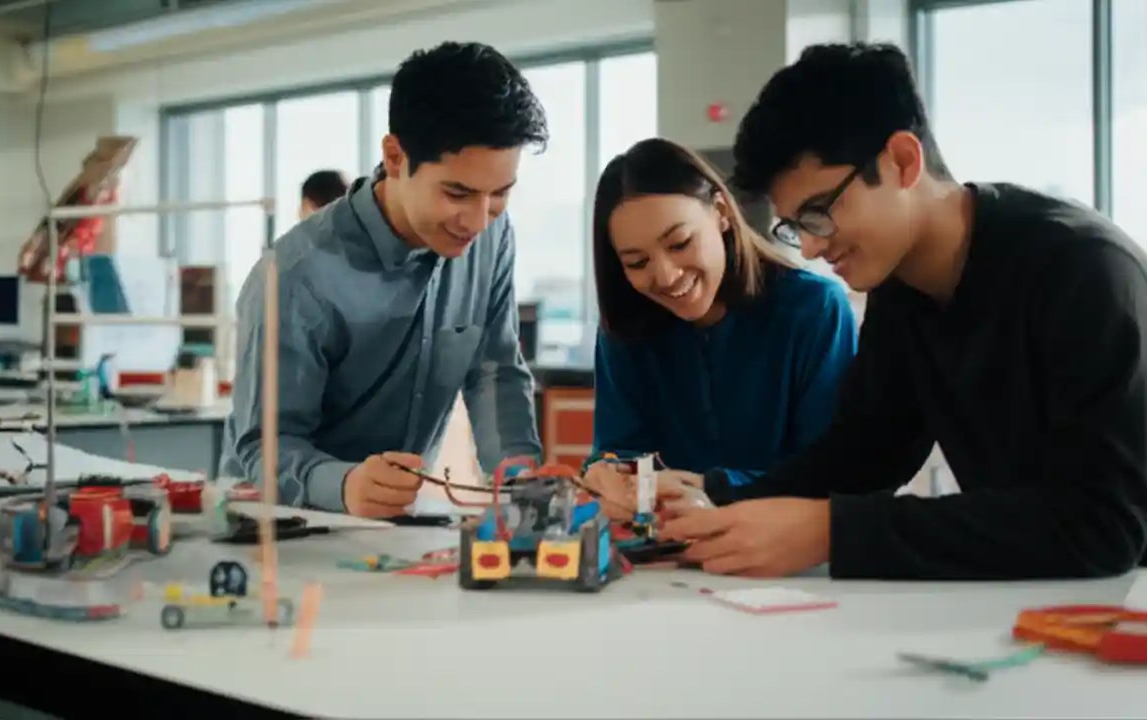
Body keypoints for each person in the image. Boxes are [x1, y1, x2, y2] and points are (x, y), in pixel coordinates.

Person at [649, 42, 1147, 581]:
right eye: (795, 227)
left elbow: (1103, 525)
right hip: (1044, 597)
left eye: (819, 212)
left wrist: (832, 532)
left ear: (904, 161)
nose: (811, 247)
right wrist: (718, 499)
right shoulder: (901, 285)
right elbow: (865, 454)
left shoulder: (1083, 270)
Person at [220, 41, 548, 518]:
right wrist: (344, 484)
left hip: (395, 525)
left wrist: (521, 485)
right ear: (395, 157)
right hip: (282, 525)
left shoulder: (491, 237)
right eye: (457, 193)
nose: (479, 220)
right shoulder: (295, 276)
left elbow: (493, 369)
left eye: (499, 194)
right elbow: (262, 449)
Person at [582, 138, 857, 518]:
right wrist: (605, 472)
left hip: (788, 542)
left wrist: (711, 489)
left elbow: (829, 472)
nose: (666, 276)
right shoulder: (625, 328)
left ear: (721, 212)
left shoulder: (813, 310)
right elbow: (619, 449)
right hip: (667, 544)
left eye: (679, 243)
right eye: (637, 262)